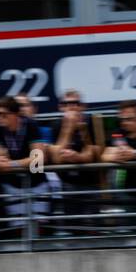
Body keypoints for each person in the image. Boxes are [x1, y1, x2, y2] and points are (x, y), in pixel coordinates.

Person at [0, 95, 49, 234]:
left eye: (1, 114)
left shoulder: (31, 125)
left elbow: (38, 159)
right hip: (13, 184)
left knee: (39, 227)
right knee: (18, 229)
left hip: (36, 182)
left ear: (15, 114)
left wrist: (12, 164)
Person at [50, 89, 103, 217]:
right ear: (61, 107)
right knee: (72, 223)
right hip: (68, 182)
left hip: (91, 181)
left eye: (76, 103)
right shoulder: (57, 124)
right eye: (67, 103)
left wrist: (77, 157)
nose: (72, 107)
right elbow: (56, 157)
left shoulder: (93, 122)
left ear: (83, 106)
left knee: (93, 224)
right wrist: (68, 127)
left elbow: (96, 153)